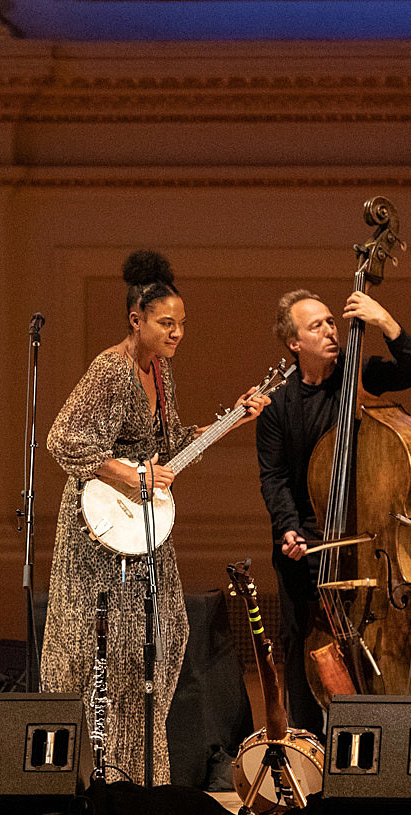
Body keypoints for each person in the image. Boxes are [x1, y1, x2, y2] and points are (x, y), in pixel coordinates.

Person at [42, 251, 268, 784]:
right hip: (97, 533)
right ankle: (92, 773)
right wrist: (127, 476)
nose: (177, 334)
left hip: (144, 528)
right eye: (167, 323)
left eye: (182, 324)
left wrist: (232, 422)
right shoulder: (109, 370)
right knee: (100, 653)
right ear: (135, 320)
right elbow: (63, 440)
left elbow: (168, 451)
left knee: (163, 636)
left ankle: (138, 773)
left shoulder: (162, 373)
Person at [254, 288, 411, 735]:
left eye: (332, 322)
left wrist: (385, 321)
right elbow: (273, 478)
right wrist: (288, 529)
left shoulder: (358, 375)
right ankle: (311, 746)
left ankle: (379, 742)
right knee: (305, 649)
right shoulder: (276, 403)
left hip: (365, 538)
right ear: (294, 343)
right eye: (318, 326)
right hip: (307, 544)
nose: (331, 330)